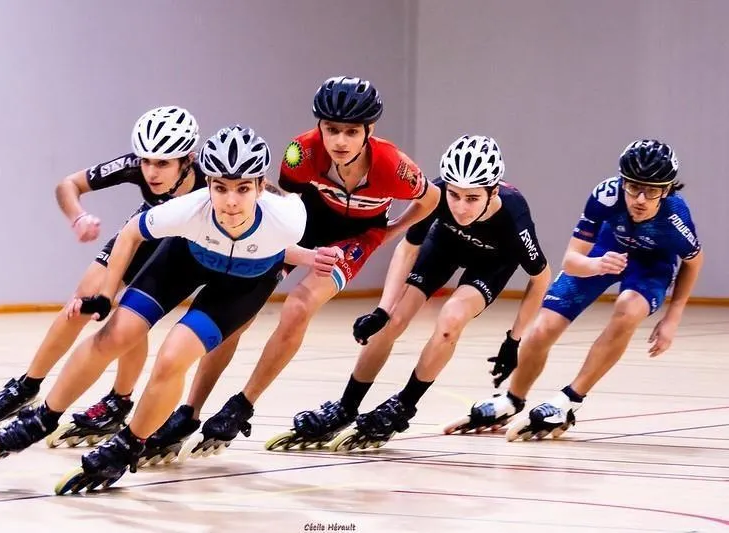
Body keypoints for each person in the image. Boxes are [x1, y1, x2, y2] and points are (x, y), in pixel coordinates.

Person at [0, 126, 330, 492]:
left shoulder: (289, 217)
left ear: (260, 186)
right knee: (115, 334)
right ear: (208, 184)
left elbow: (282, 249)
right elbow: (129, 235)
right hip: (188, 258)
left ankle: (128, 444)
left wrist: (315, 257)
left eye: (242, 188)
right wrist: (107, 295)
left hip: (243, 282)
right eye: (220, 187)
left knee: (172, 358)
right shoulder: (189, 208)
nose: (230, 201)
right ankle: (44, 416)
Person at [168, 75, 441, 461]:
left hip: (356, 238)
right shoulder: (300, 152)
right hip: (304, 224)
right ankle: (188, 411)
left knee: (298, 306)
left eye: (350, 132)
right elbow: (283, 199)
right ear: (319, 127)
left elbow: (431, 199)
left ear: (370, 130)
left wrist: (389, 231)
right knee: (237, 311)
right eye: (331, 130)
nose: (340, 142)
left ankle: (243, 403)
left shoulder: (395, 167)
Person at [0, 106, 235, 446]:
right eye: (145, 161)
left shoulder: (213, 180)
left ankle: (120, 399)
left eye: (162, 163)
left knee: (132, 315)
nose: (151, 172)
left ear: (188, 159)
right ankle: (27, 385)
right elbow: (68, 184)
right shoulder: (135, 166)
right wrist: (77, 217)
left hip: (191, 244)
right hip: (148, 228)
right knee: (84, 298)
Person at [265, 135, 551, 451]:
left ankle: (404, 404)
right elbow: (407, 248)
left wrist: (514, 340)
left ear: (492, 191)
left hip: (492, 262)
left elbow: (541, 277)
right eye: (454, 195)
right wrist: (382, 310)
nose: (460, 206)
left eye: (472, 198)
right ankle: (347, 406)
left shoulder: (514, 215)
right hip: (444, 246)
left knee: (450, 320)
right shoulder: (436, 193)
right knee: (391, 324)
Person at [454, 139, 704, 441]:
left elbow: (693, 262)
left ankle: (570, 399)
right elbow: (572, 261)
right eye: (633, 186)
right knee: (542, 329)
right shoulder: (606, 196)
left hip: (652, 264)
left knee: (628, 307)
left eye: (651, 191)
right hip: (606, 252)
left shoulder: (676, 217)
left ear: (667, 190)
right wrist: (597, 264)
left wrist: (672, 317)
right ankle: (511, 400)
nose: (640, 198)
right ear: (621, 181)